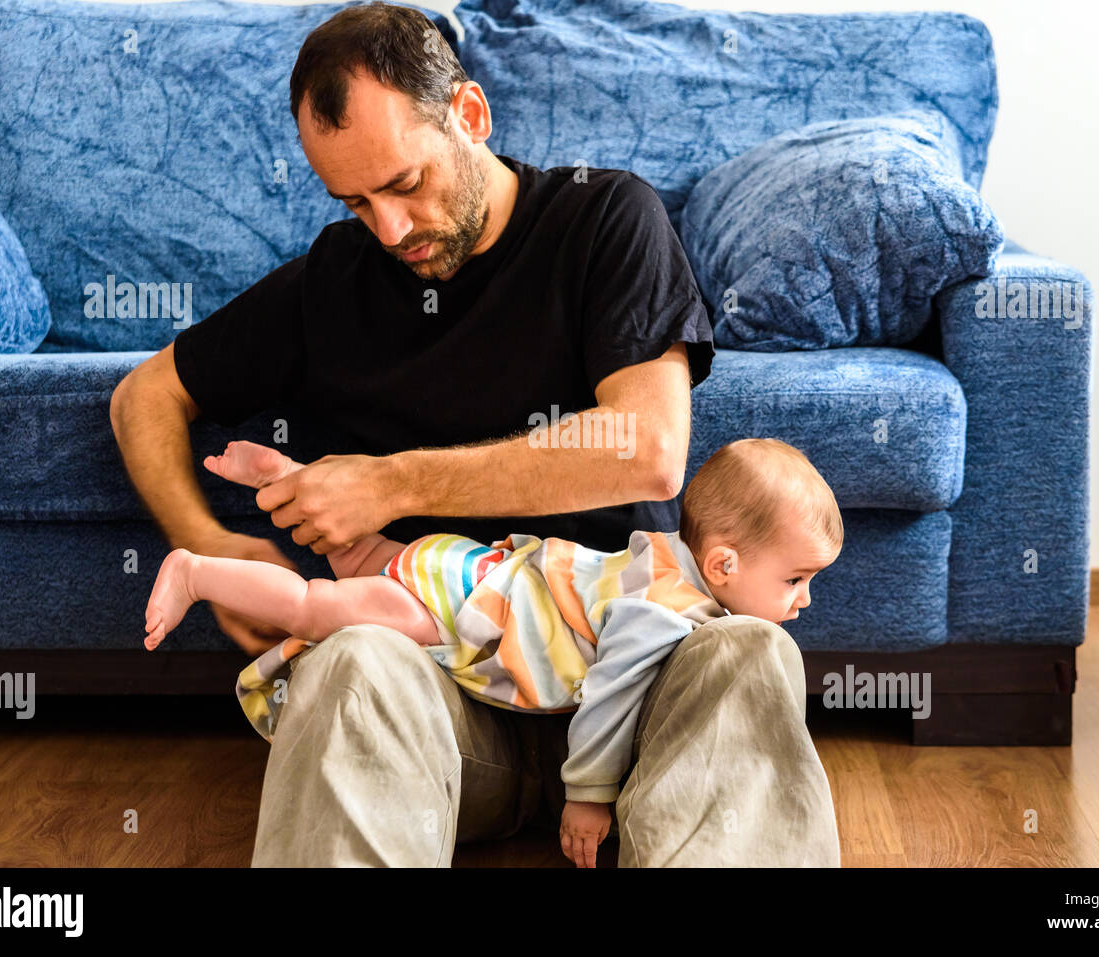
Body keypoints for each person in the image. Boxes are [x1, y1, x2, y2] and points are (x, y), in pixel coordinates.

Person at [109, 2, 842, 866]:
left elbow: (649, 448)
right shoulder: (332, 283)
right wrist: (206, 544)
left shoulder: (603, 220)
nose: (389, 229)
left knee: (750, 653)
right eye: (355, 200)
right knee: (347, 668)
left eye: (406, 183)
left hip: (637, 693)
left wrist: (392, 484)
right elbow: (143, 396)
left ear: (471, 115)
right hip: (443, 710)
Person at [142, 438, 842, 867]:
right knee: (324, 619)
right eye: (796, 579)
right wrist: (590, 796)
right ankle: (199, 573)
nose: (806, 600)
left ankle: (287, 479)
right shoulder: (663, 608)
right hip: (470, 621)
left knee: (753, 651)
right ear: (720, 563)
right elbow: (610, 696)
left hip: (471, 576)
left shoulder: (665, 565)